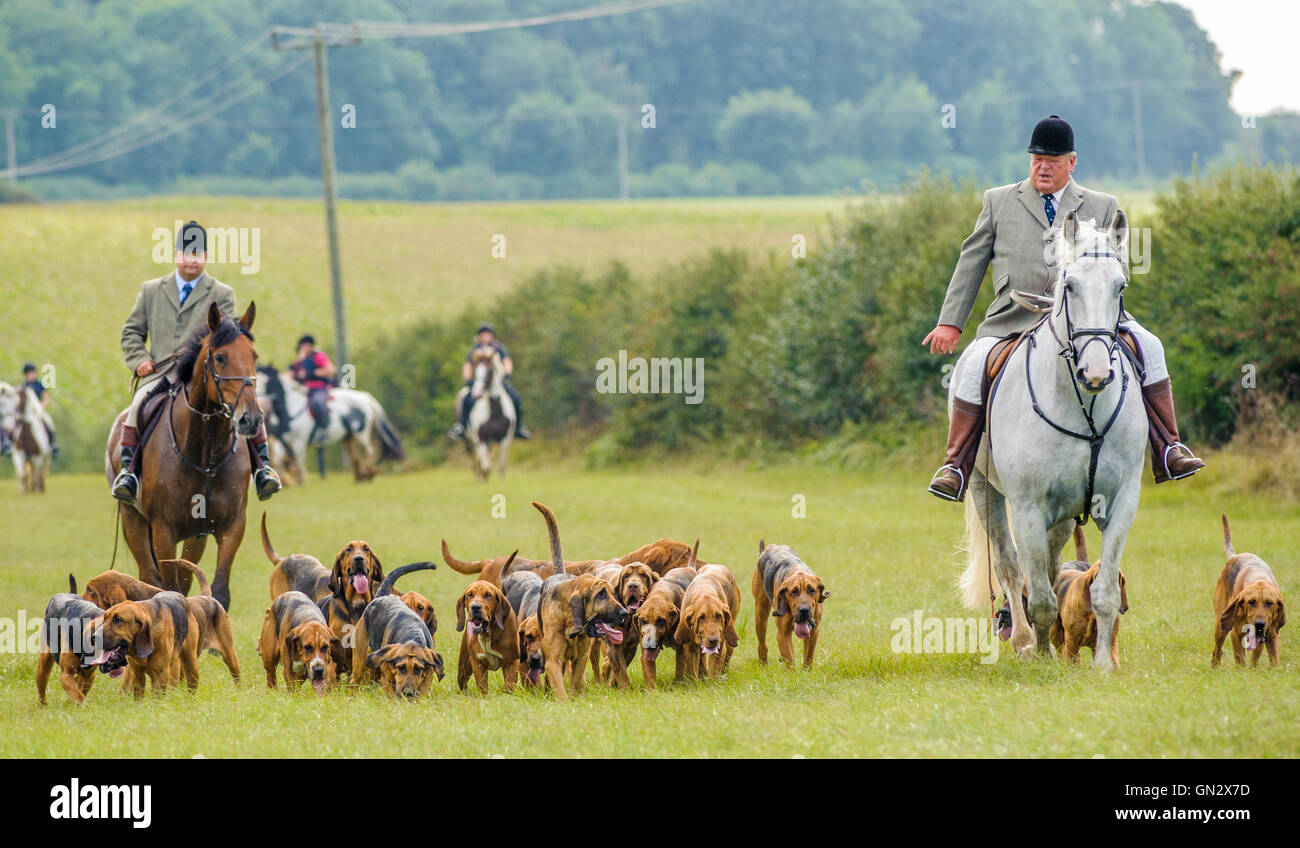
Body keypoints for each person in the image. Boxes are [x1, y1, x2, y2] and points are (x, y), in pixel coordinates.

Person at [924, 115, 1203, 502]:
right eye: (1037, 159)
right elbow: (971, 262)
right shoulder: (999, 201)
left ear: (1071, 163)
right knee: (973, 366)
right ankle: (955, 464)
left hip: (1087, 320)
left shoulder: (1103, 206)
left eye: (1053, 161)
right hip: (1013, 319)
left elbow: (1117, 270)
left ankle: (1170, 448)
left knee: (1151, 346)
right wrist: (950, 323)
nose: (1043, 167)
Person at [111, 220, 281, 502]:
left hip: (208, 376)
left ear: (206, 258)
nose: (192, 260)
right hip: (162, 374)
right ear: (176, 256)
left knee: (249, 404)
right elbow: (131, 331)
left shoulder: (222, 293)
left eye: (198, 255)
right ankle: (128, 472)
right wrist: (139, 359)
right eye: (187, 254)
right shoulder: (151, 290)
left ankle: (262, 469)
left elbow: (230, 334)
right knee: (138, 403)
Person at [447, 323, 531, 440]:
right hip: (479, 383)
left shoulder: (498, 348)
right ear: (480, 336)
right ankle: (462, 426)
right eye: (483, 334)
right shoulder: (475, 350)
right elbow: (467, 366)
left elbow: (507, 362)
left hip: (497, 382)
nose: (486, 337)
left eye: (488, 334)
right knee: (466, 399)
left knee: (515, 398)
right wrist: (469, 380)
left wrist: (506, 375)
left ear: (492, 336)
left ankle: (519, 427)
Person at [290, 335, 337, 445]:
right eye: (304, 346)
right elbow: (292, 372)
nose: (306, 348)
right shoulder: (300, 359)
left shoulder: (318, 356)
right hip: (303, 389)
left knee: (317, 403)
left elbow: (330, 370)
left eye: (307, 345)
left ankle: (324, 428)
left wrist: (312, 373)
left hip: (319, 388)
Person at [20, 363, 58, 458]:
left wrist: (40, 407)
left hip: (38, 412)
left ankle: (52, 445)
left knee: (49, 422)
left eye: (32, 373)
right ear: (26, 375)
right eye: (29, 373)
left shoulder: (39, 385)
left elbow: (47, 399)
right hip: (27, 414)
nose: (31, 375)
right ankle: (10, 445)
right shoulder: (24, 387)